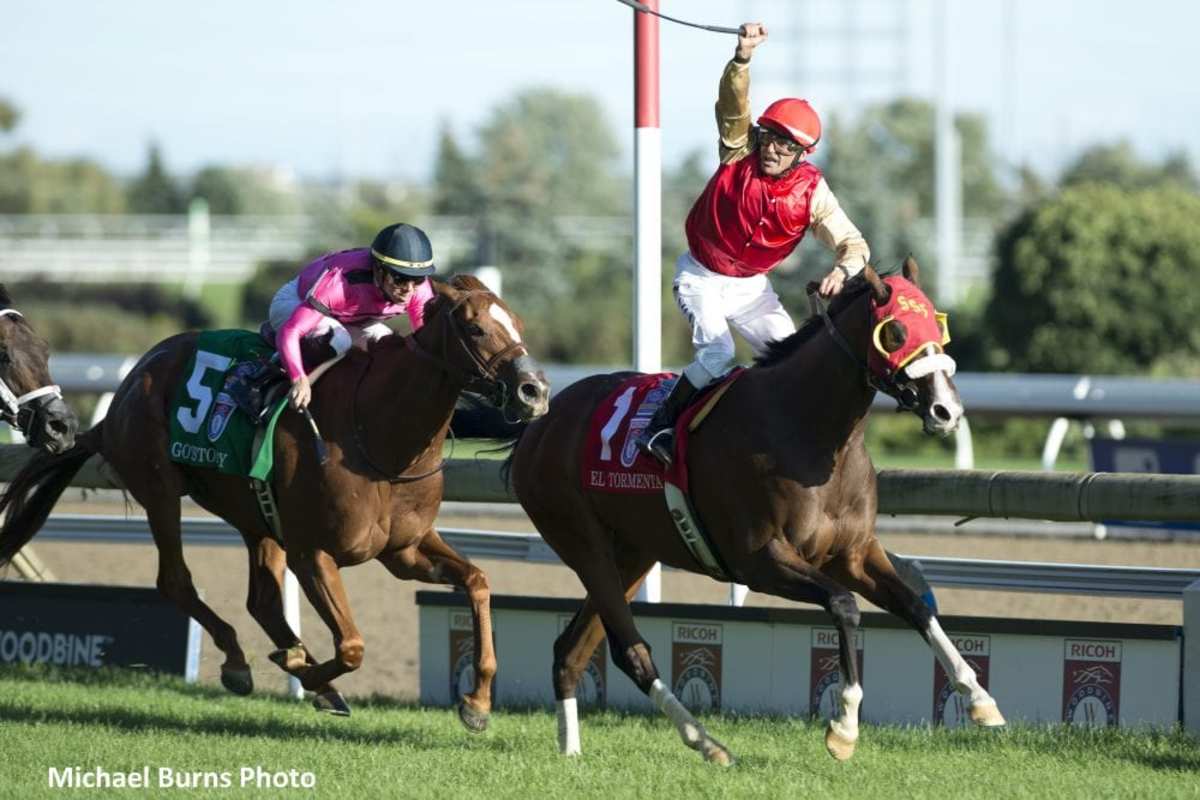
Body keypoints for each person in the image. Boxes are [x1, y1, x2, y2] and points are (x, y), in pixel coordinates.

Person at [639, 22, 871, 464]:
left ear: (803, 154)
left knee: (796, 359)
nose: (771, 151)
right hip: (702, 276)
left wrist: (842, 271)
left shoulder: (814, 192)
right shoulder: (737, 151)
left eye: (785, 147)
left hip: (751, 289)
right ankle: (660, 427)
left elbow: (854, 244)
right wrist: (742, 59)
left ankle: (802, 443)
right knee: (718, 352)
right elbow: (733, 104)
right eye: (768, 139)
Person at [265, 222, 437, 410]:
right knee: (340, 340)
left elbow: (425, 345)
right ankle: (278, 386)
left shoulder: (419, 290)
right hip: (294, 303)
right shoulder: (341, 282)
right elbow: (290, 331)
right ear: (379, 270)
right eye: (400, 278)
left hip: (350, 317)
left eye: (418, 279)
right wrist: (299, 379)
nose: (409, 290)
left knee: (390, 348)